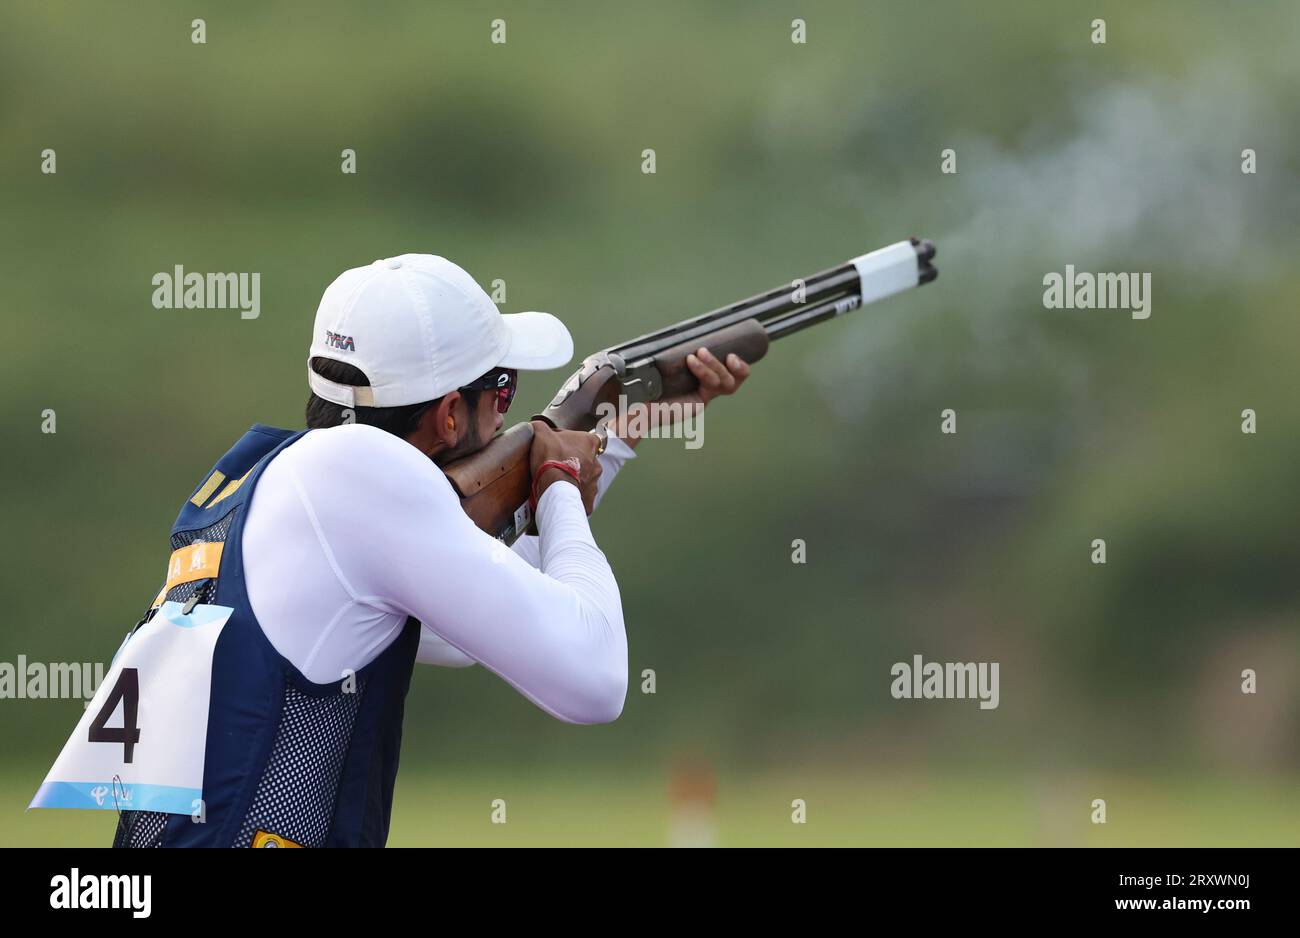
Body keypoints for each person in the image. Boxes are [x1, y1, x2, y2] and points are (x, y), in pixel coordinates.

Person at [33, 253, 749, 847]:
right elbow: (594, 680)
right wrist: (558, 479)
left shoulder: (270, 479)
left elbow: (485, 620)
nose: (511, 411)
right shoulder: (365, 476)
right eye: (503, 391)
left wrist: (617, 434)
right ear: (447, 413)